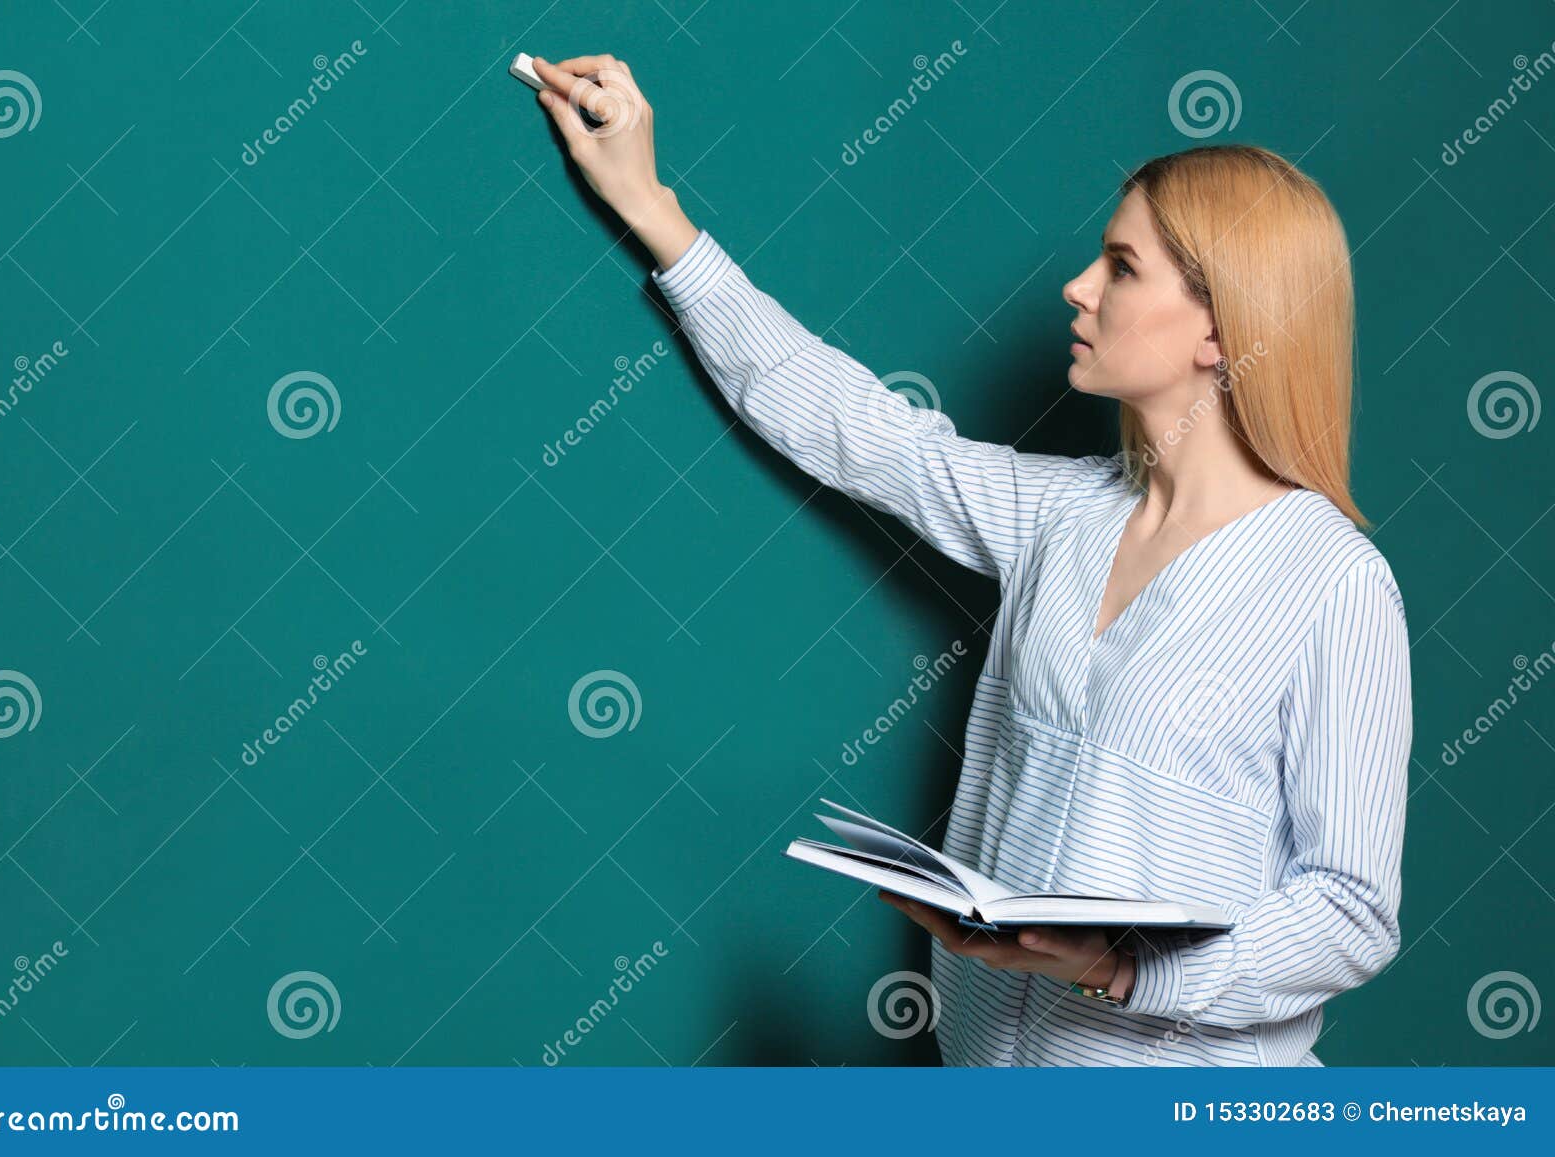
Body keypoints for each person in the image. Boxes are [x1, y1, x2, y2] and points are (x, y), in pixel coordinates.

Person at [528, 54, 1412, 1067]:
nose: (1077, 288)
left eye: (1121, 266)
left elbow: (1349, 909)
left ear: (1220, 325)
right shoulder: (1061, 514)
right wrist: (647, 201)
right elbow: (856, 428)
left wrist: (1123, 965)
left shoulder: (1330, 582)